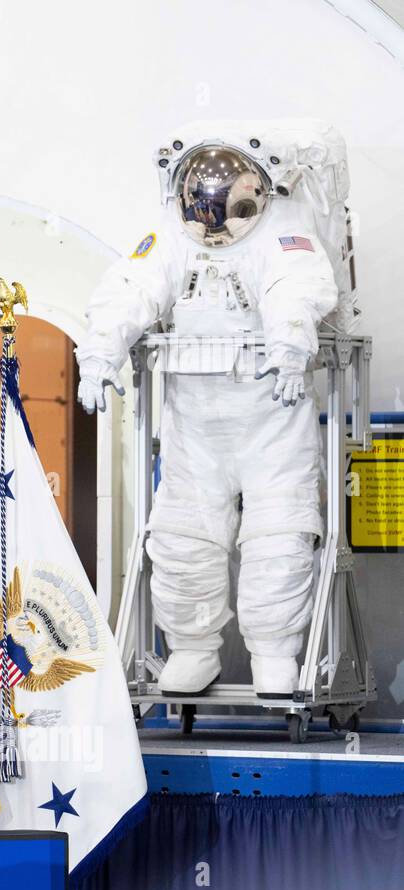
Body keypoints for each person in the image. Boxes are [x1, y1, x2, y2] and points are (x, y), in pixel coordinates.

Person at [75, 127, 339, 698]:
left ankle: (276, 655)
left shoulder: (282, 230)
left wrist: (291, 349)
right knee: (182, 537)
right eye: (202, 204)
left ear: (256, 191)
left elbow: (294, 288)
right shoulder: (173, 235)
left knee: (279, 533)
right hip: (194, 419)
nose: (215, 219)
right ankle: (193, 650)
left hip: (271, 412)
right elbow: (129, 288)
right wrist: (98, 356)